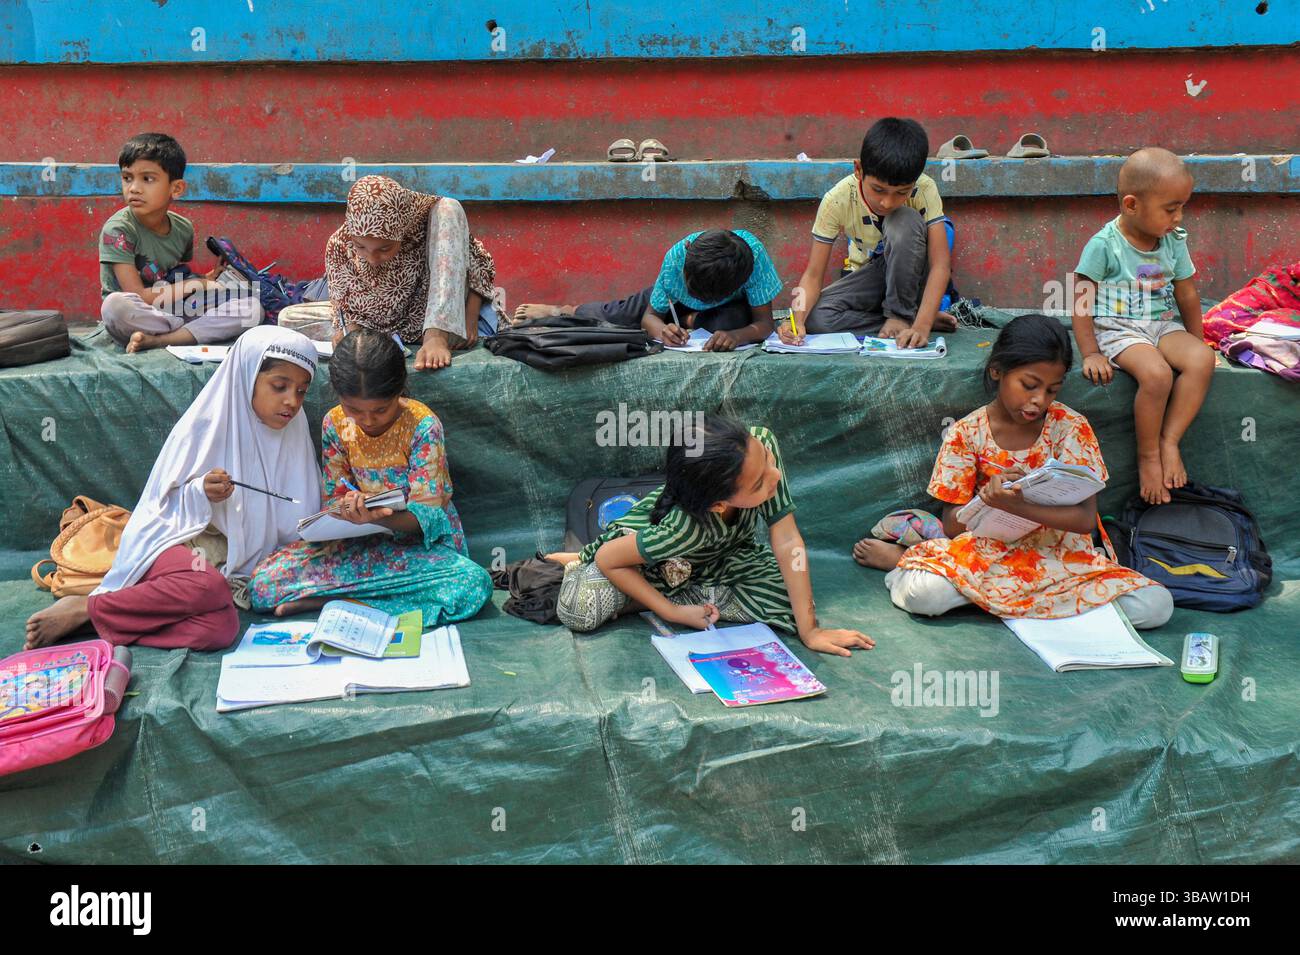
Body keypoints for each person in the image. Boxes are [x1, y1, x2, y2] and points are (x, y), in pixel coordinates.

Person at [854, 314, 1173, 628]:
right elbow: (953, 526)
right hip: (985, 557)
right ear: (997, 371)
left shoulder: (1071, 428)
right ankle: (909, 565)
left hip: (1057, 559)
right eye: (1029, 385)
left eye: (1052, 390)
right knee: (924, 596)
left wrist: (1018, 505)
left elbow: (1085, 521)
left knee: (1156, 606)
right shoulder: (966, 433)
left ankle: (993, 602)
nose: (1039, 400)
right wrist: (988, 500)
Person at [24, 327, 322, 650]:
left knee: (220, 629)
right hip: (179, 543)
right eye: (279, 386)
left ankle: (101, 620)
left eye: (302, 391)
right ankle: (85, 608)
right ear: (247, 375)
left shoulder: (294, 430)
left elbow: (300, 515)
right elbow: (160, 505)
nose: (292, 401)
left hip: (228, 567)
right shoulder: (206, 424)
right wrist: (200, 492)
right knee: (207, 587)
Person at [549, 415, 875, 657]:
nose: (774, 475)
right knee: (581, 610)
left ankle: (677, 593)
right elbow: (610, 559)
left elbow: (788, 541)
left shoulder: (759, 445)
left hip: (723, 556)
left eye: (767, 459)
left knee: (794, 603)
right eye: (760, 483)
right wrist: (670, 612)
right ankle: (593, 569)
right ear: (720, 505)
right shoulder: (683, 530)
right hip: (650, 560)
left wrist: (811, 631)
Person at [249, 329, 492, 625]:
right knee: (262, 584)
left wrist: (376, 518)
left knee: (471, 584)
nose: (367, 420)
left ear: (399, 390)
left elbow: (427, 519)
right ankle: (362, 596)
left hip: (419, 548)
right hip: (361, 545)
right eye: (354, 410)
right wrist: (346, 509)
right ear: (338, 396)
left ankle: (334, 598)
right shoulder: (335, 423)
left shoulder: (422, 426)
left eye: (380, 409)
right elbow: (335, 497)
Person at [1073, 146, 1215, 504]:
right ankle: (1149, 456)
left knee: (1201, 360)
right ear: (1132, 205)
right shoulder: (1104, 245)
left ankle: (1169, 440)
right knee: (1157, 375)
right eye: (1171, 209)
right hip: (1118, 328)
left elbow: (1186, 294)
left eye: (1182, 206)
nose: (1179, 217)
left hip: (1161, 324)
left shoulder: (1173, 241)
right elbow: (1080, 301)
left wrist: (1196, 342)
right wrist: (1090, 352)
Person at [782, 117, 954, 348]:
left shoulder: (925, 188)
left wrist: (922, 328)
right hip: (873, 276)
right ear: (858, 169)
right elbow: (812, 274)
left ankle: (902, 317)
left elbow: (940, 265)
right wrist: (796, 320)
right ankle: (908, 322)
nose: (887, 202)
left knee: (902, 219)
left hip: (913, 278)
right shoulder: (837, 200)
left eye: (901, 192)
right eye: (878, 189)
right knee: (816, 318)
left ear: (914, 182)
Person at [317, 175, 502, 371]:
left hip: (437, 321)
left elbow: (478, 264)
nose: (372, 259)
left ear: (402, 230)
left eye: (385, 248)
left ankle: (436, 336)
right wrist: (348, 332)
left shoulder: (428, 223)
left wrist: (470, 316)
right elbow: (342, 307)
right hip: (377, 328)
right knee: (291, 316)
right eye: (361, 247)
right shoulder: (339, 244)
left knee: (449, 208)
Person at [99, 132, 262, 352]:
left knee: (253, 309)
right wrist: (198, 284)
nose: (134, 188)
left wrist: (207, 279)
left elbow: (173, 278)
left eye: (147, 179)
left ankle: (160, 339)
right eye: (127, 178)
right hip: (138, 315)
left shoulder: (183, 228)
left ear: (176, 188)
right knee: (114, 306)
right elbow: (139, 295)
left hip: (175, 309)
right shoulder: (118, 229)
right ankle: (186, 332)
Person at [514, 228, 782, 352]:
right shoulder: (677, 257)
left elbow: (764, 323)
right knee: (620, 316)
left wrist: (736, 336)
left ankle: (692, 321)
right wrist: (661, 331)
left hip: (723, 312)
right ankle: (564, 312)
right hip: (674, 305)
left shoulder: (754, 259)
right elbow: (649, 318)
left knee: (731, 322)